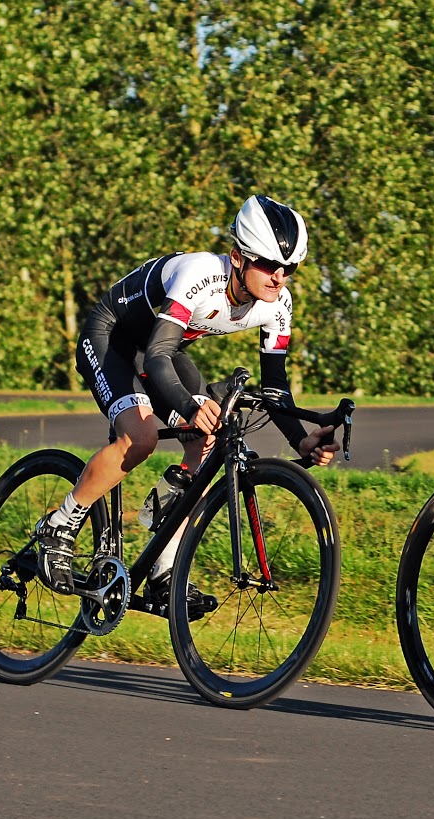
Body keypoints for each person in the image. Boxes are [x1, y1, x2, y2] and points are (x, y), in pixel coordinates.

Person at [35, 195, 340, 610]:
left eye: (290, 268)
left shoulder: (277, 305)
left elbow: (275, 389)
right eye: (269, 265)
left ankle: (164, 567)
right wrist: (190, 404)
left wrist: (301, 441)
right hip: (113, 337)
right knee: (140, 438)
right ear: (237, 257)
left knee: (207, 439)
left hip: (164, 347)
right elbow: (158, 357)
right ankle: (59, 524)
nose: (279, 277)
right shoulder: (199, 274)